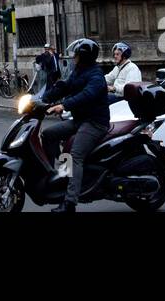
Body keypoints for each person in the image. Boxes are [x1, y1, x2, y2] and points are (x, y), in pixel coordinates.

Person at [40, 39, 110, 212]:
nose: (74, 57)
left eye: (77, 54)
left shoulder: (96, 75)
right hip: (80, 120)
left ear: (84, 56)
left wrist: (64, 105)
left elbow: (87, 95)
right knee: (48, 134)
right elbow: (66, 86)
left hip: (95, 122)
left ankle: (70, 202)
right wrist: (43, 98)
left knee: (74, 155)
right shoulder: (79, 71)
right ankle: (54, 175)